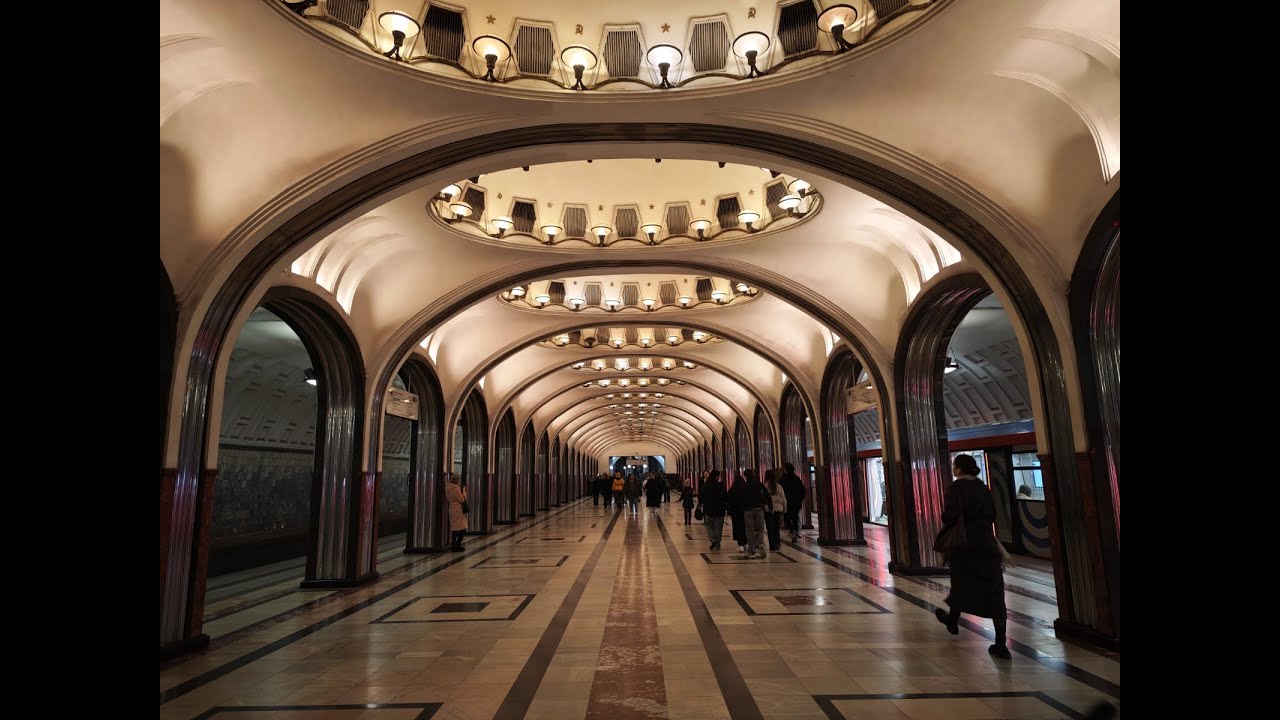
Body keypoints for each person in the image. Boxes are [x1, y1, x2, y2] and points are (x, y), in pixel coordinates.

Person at [934, 453, 1011, 659]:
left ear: (959, 469)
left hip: (963, 546)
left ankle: (952, 621)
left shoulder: (955, 490)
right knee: (995, 593)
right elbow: (992, 516)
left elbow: (949, 517)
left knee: (960, 585)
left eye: (954, 466)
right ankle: (1001, 642)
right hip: (986, 545)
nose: (953, 469)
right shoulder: (983, 489)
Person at [739, 469, 770, 559]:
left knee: (749, 531)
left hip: (748, 511)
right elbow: (766, 495)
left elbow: (741, 499)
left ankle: (752, 551)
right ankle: (760, 543)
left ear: (745, 476)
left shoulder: (744, 486)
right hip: (759, 509)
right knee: (760, 529)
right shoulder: (759, 485)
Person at [698, 470, 728, 550]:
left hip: (708, 510)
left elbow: (701, 497)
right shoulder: (720, 486)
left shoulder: (706, 485)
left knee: (709, 526)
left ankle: (713, 540)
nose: (719, 477)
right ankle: (717, 544)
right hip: (719, 511)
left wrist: (702, 503)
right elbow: (725, 497)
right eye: (718, 476)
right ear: (716, 477)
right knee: (718, 528)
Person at [780, 462, 807, 542]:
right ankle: (794, 530)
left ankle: (792, 531)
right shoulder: (796, 478)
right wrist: (799, 500)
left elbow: (781, 491)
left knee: (787, 518)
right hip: (795, 503)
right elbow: (802, 490)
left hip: (788, 503)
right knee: (794, 518)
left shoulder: (783, 479)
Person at [764, 469, 786, 551]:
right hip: (778, 510)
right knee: (776, 527)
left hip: (769, 510)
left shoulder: (765, 486)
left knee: (770, 528)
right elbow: (784, 499)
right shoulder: (779, 487)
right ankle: (777, 543)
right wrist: (784, 510)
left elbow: (763, 499)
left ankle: (772, 544)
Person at [727, 472, 748, 552]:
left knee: (737, 527)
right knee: (745, 527)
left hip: (735, 513)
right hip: (745, 512)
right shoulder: (745, 488)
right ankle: (746, 542)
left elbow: (728, 500)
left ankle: (741, 544)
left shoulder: (732, 489)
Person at [445, 477, 468, 551]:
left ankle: (454, 544)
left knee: (454, 528)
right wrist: (464, 492)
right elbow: (462, 499)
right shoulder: (455, 489)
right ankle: (457, 544)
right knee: (463, 527)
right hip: (458, 509)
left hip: (452, 508)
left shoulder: (448, 488)